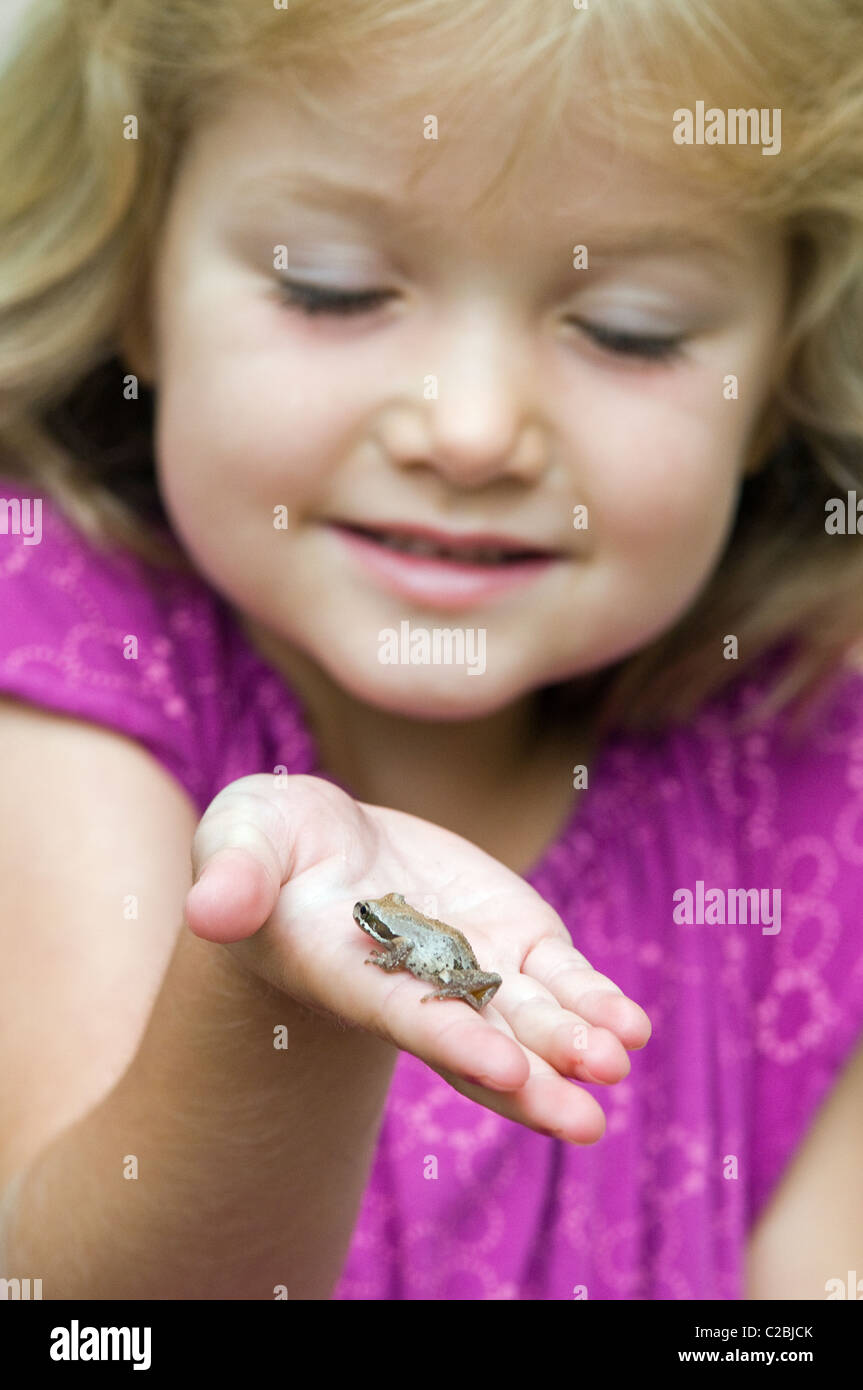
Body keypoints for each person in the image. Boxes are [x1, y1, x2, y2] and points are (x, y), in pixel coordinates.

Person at [0, 0, 861, 1301]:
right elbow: (81, 1320)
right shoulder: (68, 648)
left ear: (784, 375)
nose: (469, 429)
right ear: (138, 289)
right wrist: (273, 995)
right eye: (331, 289)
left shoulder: (809, 770)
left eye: (629, 328)